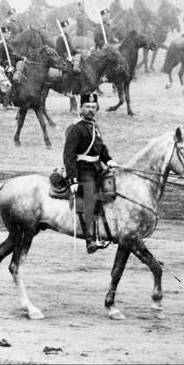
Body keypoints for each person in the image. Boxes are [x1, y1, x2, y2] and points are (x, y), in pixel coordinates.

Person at [63, 93, 114, 253]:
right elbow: (69, 155)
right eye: (87, 107)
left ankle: (108, 229)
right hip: (82, 169)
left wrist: (109, 160)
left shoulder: (94, 125)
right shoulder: (76, 128)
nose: (90, 110)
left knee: (112, 190)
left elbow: (100, 147)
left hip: (97, 168)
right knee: (90, 198)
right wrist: (73, 179)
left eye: (93, 107)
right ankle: (90, 239)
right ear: (81, 108)